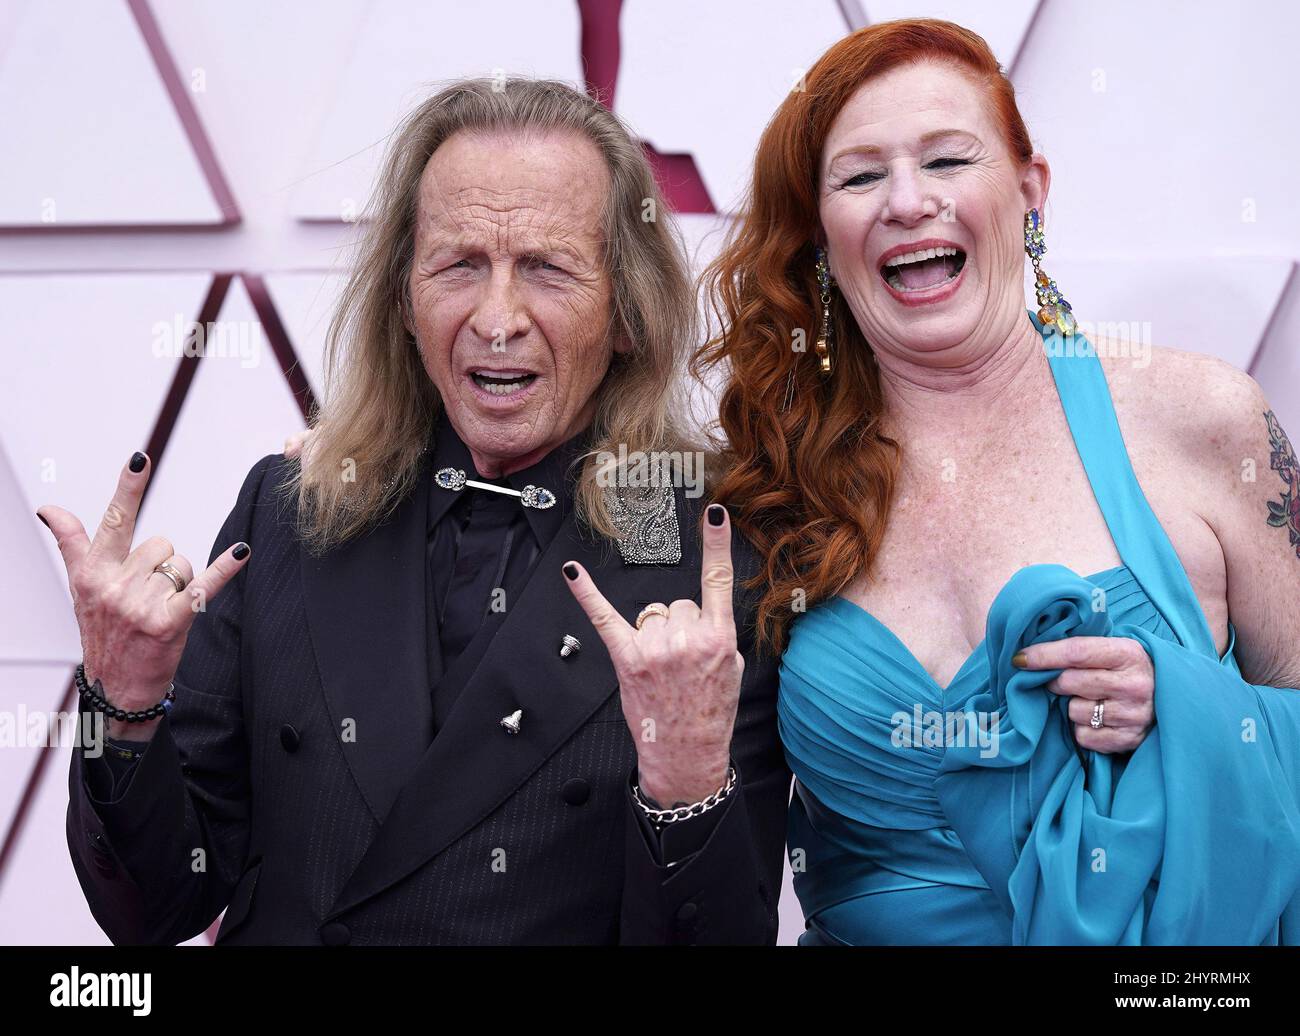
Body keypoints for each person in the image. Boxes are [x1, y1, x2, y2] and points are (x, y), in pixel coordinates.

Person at [41, 78, 789, 945]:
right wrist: (121, 705)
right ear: (403, 298)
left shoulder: (710, 562)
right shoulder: (288, 515)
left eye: (546, 268)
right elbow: (153, 908)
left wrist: (688, 780)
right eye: (459, 264)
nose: (498, 319)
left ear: (627, 312)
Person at [699, 19, 1300, 944]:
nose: (907, 201)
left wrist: (1184, 707)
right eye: (859, 177)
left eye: (946, 160)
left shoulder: (1207, 418)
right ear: (823, 237)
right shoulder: (771, 482)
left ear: (1031, 190)